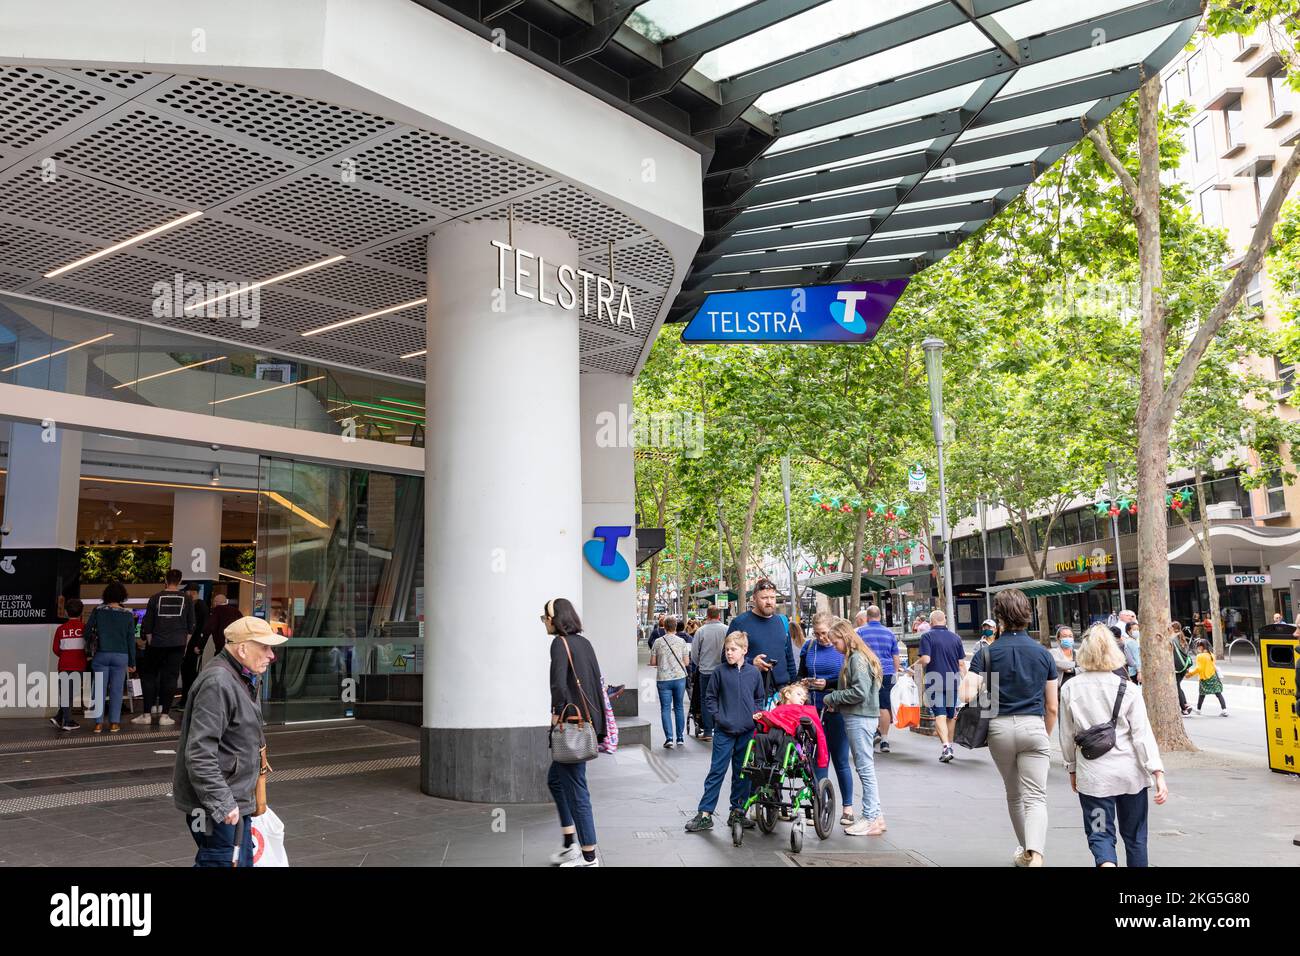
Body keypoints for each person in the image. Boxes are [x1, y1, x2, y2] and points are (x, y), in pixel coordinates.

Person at [174, 614, 286, 867]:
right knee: (221, 862)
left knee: (236, 861)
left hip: (230, 800)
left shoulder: (240, 677)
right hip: (218, 806)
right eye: (265, 647)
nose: (272, 655)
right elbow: (200, 752)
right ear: (243, 648)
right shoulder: (219, 682)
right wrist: (223, 804)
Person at [961, 588, 1058, 867]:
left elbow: (965, 695)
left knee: (1014, 794)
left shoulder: (987, 654)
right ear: (1027, 615)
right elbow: (1052, 706)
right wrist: (1044, 734)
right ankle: (1036, 856)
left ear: (998, 616)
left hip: (999, 730)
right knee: (1036, 796)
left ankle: (1027, 853)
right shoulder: (1043, 654)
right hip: (1034, 726)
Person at [1059, 625, 1168, 867]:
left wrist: (1072, 769)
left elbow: (1067, 735)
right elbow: (1142, 735)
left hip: (1095, 778)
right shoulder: (1128, 689)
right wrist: (1157, 772)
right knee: (1136, 837)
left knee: (1100, 834)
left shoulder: (1070, 688)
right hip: (1131, 777)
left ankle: (1107, 864)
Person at [543, 597, 606, 867]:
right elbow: (595, 681)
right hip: (586, 721)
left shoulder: (560, 643)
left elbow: (558, 684)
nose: (544, 621)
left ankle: (589, 856)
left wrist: (556, 716)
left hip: (571, 725)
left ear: (555, 618)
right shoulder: (585, 643)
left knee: (577, 789)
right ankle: (570, 842)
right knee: (556, 781)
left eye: (545, 616)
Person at [685, 632, 764, 834]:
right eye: (727, 650)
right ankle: (705, 814)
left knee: (742, 773)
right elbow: (709, 697)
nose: (729, 653)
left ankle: (737, 811)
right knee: (716, 771)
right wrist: (719, 717)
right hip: (724, 731)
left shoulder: (754, 673)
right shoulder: (719, 672)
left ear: (744, 651)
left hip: (747, 732)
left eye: (733, 650)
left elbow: (759, 698)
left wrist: (755, 714)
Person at [824, 617, 886, 835]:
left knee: (865, 768)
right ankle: (875, 815)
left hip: (859, 718)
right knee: (865, 767)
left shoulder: (856, 659)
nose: (834, 646)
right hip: (861, 716)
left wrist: (834, 697)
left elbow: (859, 692)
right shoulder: (859, 657)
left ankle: (870, 817)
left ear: (845, 637)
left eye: (835, 642)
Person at [799, 611, 855, 825]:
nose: (821, 638)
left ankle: (847, 807)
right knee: (818, 759)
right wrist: (804, 683)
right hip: (814, 709)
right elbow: (800, 672)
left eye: (824, 633)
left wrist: (828, 683)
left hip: (837, 710)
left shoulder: (842, 649)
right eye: (817, 633)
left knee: (840, 758)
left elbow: (847, 679)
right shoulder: (809, 647)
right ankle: (819, 805)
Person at [135, 569, 195, 726]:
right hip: (178, 644)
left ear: (165, 580)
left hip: (157, 643)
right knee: (171, 678)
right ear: (180, 581)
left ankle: (147, 714)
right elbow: (191, 626)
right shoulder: (187, 599)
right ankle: (165, 715)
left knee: (149, 676)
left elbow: (147, 624)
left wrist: (150, 641)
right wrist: (185, 644)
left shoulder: (155, 598)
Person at [727, 579, 796, 696]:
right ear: (754, 598)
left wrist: (794, 685)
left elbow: (789, 658)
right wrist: (750, 663)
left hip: (783, 692)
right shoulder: (739, 623)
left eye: (772, 598)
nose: (769, 602)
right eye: (764, 598)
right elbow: (726, 659)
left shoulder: (782, 621)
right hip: (752, 692)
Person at [915, 608, 966, 763]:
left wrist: (914, 666)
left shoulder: (927, 636)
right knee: (951, 716)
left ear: (931, 622)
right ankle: (949, 746)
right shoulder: (956, 638)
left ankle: (946, 746)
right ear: (945, 621)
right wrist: (967, 682)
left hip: (934, 681)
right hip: (953, 681)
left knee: (939, 715)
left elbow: (926, 659)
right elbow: (961, 664)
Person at [86, 581, 137, 734]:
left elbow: (87, 632)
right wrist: (132, 661)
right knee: (116, 690)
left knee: (99, 690)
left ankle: (98, 724)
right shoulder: (128, 615)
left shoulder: (98, 611)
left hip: (102, 654)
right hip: (121, 656)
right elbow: (130, 640)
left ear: (106, 595)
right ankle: (114, 723)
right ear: (123, 596)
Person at [855, 605, 900, 754]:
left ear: (867, 617)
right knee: (884, 706)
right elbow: (896, 656)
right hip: (886, 672)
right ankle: (885, 740)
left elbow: (856, 654)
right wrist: (895, 672)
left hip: (866, 672)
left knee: (867, 704)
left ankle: (872, 734)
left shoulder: (860, 632)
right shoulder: (889, 633)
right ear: (880, 616)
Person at [650, 615, 690, 748]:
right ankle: (680, 738)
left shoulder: (657, 642)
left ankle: (669, 738)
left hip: (663, 679)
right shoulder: (681, 642)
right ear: (675, 627)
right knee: (679, 707)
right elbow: (686, 662)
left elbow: (653, 662)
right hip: (679, 678)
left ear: (665, 627)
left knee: (665, 709)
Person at [51, 598, 87, 731]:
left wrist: (66, 655)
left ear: (66, 612)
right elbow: (88, 647)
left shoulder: (61, 629)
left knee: (66, 693)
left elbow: (55, 649)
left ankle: (59, 717)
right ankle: (67, 721)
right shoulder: (84, 628)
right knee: (72, 693)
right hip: (79, 664)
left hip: (64, 664)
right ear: (81, 612)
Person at [692, 606, 727, 741]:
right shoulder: (726, 629)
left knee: (706, 700)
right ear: (719, 616)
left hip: (705, 671)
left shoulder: (700, 631)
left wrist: (700, 664)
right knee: (722, 699)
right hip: (723, 670)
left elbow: (695, 653)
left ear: (707, 615)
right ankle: (721, 728)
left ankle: (707, 731)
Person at [177, 583, 209, 710]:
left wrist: (198, 645)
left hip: (192, 645)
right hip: (190, 644)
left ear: (191, 592)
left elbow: (202, 627)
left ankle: (188, 701)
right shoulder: (195, 605)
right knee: (186, 672)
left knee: (189, 673)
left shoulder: (199, 605)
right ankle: (185, 700)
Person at [1188, 639, 1228, 716]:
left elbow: (1198, 669)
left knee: (1202, 694)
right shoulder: (1212, 655)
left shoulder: (1199, 656)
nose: (1197, 648)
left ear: (1202, 647)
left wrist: (1190, 674)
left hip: (1204, 678)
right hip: (1213, 677)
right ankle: (1224, 710)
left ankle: (1199, 710)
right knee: (1218, 694)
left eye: (1198, 646)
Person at [1169, 622, 1194, 717]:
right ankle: (1185, 704)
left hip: (1176, 666)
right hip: (1184, 666)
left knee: (1176, 686)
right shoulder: (1182, 637)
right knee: (1177, 685)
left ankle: (1184, 707)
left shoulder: (1172, 639)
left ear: (1173, 628)